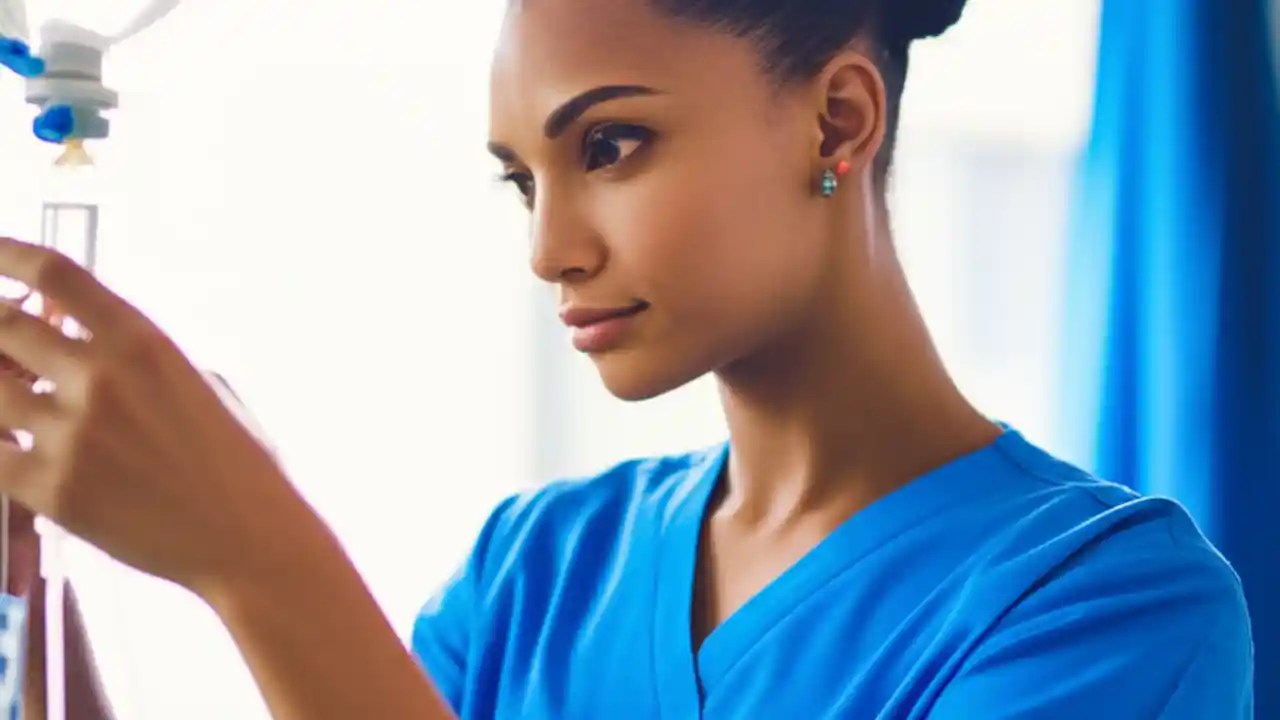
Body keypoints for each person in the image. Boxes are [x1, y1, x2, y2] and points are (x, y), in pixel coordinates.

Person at [0, 0, 1255, 718]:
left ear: (837, 118)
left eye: (607, 148)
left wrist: (261, 559)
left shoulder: (1105, 609)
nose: (548, 248)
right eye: (518, 180)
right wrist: (41, 607)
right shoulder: (535, 571)